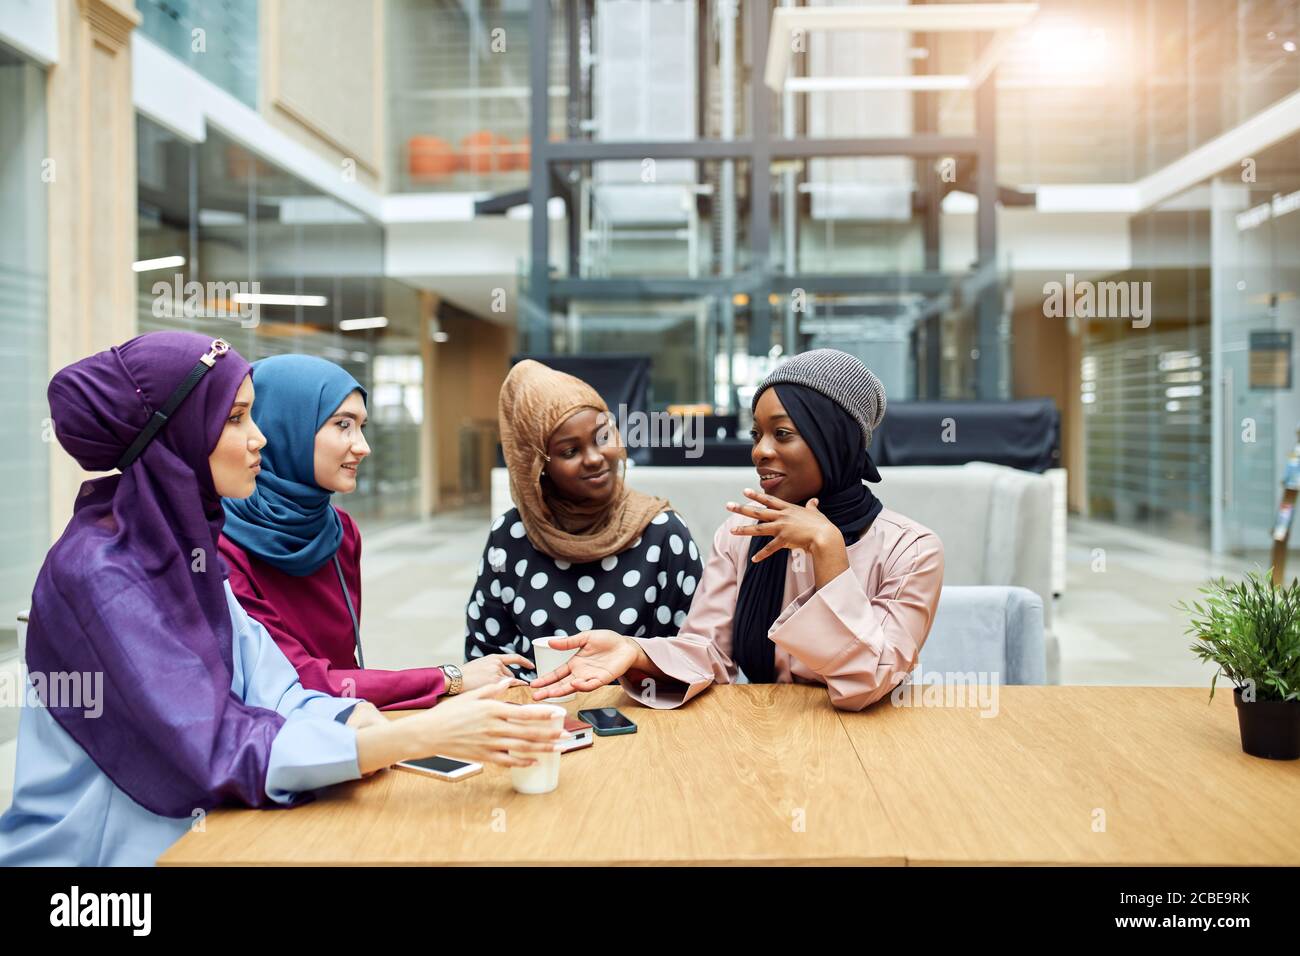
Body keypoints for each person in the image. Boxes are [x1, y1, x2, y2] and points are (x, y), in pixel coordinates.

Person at [0, 332, 563, 866]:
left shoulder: (186, 549)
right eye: (237, 417)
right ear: (179, 434)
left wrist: (380, 720)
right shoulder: (101, 573)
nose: (260, 438)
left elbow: (279, 692)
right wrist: (419, 734)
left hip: (209, 833)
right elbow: (213, 749)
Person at [529, 348, 945, 712]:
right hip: (764, 735)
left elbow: (869, 682)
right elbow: (707, 652)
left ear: (835, 440)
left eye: (782, 433)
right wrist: (635, 652)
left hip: (873, 757)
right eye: (757, 434)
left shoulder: (912, 550)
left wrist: (827, 549)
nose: (760, 451)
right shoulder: (740, 534)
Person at [220, 354, 529, 708]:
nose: (363, 446)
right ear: (286, 426)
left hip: (343, 733)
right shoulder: (222, 543)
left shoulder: (340, 532)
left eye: (362, 426)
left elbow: (345, 669)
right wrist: (448, 678)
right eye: (342, 425)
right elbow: (296, 680)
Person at [466, 360, 703, 678]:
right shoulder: (510, 537)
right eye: (569, 451)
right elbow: (486, 656)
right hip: (539, 718)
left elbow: (697, 653)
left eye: (603, 437)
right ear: (537, 465)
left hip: (646, 715)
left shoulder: (662, 532)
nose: (594, 458)